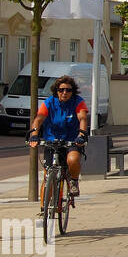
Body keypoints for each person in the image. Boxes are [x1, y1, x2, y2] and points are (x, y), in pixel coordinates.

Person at [27, 75, 89, 214]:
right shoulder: (49, 102)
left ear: (73, 91)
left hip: (72, 140)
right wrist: (34, 135)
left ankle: (73, 181)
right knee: (48, 175)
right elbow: (39, 119)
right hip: (52, 140)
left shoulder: (78, 102)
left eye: (68, 90)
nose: (64, 93)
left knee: (72, 160)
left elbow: (83, 118)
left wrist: (81, 135)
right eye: (61, 90)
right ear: (56, 91)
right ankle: (44, 208)